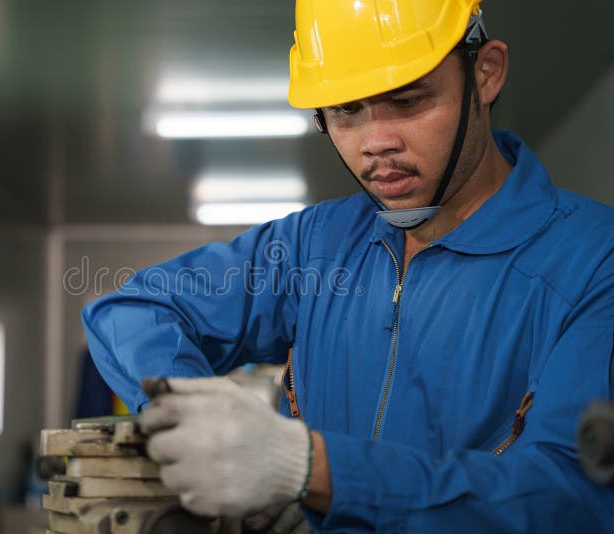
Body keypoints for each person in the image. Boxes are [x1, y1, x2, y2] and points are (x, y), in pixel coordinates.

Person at [82, 1, 614, 531]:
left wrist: (310, 471)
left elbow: (571, 498)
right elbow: (134, 311)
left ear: (486, 73)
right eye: (345, 111)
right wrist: (212, 436)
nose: (375, 143)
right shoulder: (315, 245)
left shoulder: (593, 262)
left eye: (406, 101)